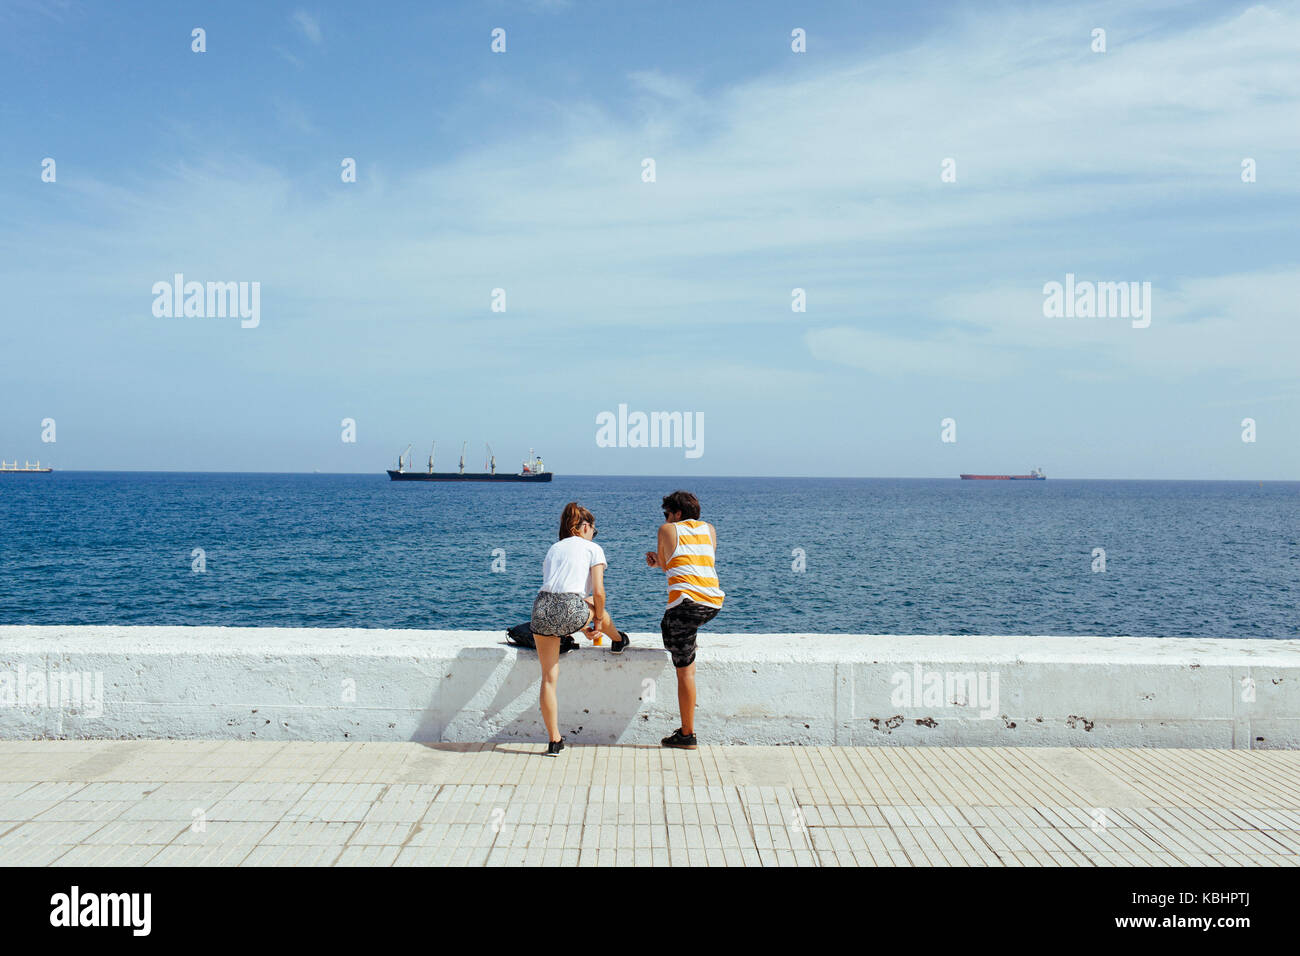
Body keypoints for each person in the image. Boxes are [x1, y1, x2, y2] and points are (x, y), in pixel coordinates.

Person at [530, 502, 624, 756]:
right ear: (584, 527)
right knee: (595, 604)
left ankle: (554, 741)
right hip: (571, 609)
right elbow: (599, 592)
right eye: (594, 529)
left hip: (540, 609)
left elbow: (557, 589)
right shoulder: (593, 548)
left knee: (549, 678)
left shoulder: (554, 548)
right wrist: (594, 623)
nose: (594, 533)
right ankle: (617, 639)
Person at [644, 490, 724, 750]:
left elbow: (667, 565)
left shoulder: (667, 530)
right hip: (712, 603)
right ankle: (689, 644)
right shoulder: (709, 529)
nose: (665, 519)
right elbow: (695, 561)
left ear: (677, 513)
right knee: (681, 628)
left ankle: (687, 734)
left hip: (685, 604)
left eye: (667, 514)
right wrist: (663, 564)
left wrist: (657, 562)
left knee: (685, 670)